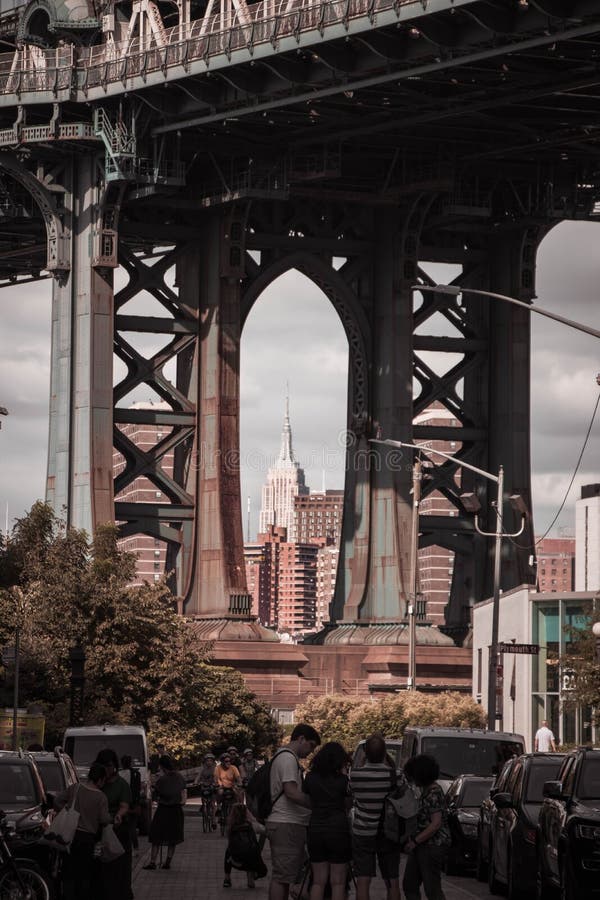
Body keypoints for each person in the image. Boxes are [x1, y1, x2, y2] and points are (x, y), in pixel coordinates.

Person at [266, 723, 321, 900]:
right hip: (286, 823)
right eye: (311, 746)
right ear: (301, 739)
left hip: (286, 823)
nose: (310, 751)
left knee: (284, 876)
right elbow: (291, 792)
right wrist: (315, 804)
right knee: (282, 877)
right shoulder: (288, 759)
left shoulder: (283, 757)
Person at [349, 733, 401, 900]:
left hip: (363, 832)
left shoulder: (355, 775)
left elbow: (350, 795)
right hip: (388, 833)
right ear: (385, 753)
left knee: (363, 880)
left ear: (365, 752)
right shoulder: (394, 776)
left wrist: (363, 761)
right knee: (392, 882)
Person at [303, 741, 352, 900]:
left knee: (318, 881)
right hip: (338, 829)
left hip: (316, 829)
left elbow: (308, 800)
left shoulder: (310, 778)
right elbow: (348, 805)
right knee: (338, 882)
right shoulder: (343, 781)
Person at [54, 762, 110, 900]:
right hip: (87, 839)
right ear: (101, 779)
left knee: (68, 872)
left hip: (69, 836)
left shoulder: (76, 788)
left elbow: (57, 800)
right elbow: (104, 819)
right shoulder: (101, 797)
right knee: (84, 874)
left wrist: (66, 811)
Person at [402, 754, 451, 900]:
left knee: (432, 889)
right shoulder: (427, 791)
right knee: (410, 884)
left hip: (432, 845)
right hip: (423, 845)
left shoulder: (433, 793)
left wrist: (415, 841)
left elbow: (435, 824)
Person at [95, 748, 133, 900]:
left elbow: (124, 805)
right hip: (97, 829)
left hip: (117, 831)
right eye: (103, 766)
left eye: (110, 765)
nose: (107, 769)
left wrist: (118, 815)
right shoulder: (96, 783)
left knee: (118, 869)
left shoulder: (121, 784)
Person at [143, 755, 187, 871]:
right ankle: (167, 861)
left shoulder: (162, 780)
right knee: (173, 837)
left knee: (156, 835)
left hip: (163, 810)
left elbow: (156, 793)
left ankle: (152, 862)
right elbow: (183, 791)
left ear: (162, 766)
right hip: (176, 810)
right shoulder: (179, 777)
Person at [223, 802, 267, 889]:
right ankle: (251, 876)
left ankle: (227, 879)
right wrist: (253, 819)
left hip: (236, 861)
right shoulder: (252, 826)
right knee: (250, 850)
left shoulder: (230, 828)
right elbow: (264, 831)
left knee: (229, 851)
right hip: (252, 862)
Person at [119, 755, 141, 853]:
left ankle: (123, 848)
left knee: (122, 827)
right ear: (130, 762)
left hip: (122, 803)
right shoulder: (136, 774)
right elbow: (138, 789)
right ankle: (135, 848)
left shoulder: (119, 775)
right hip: (133, 804)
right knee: (132, 827)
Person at [194, 752, 218, 828]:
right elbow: (198, 777)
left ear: (213, 761)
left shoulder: (215, 769)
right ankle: (203, 807)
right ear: (205, 761)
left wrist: (215, 783)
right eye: (207, 760)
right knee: (204, 801)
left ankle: (213, 820)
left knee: (213, 804)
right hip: (204, 786)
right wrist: (195, 782)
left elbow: (216, 778)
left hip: (212, 787)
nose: (209, 762)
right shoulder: (202, 769)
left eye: (210, 760)